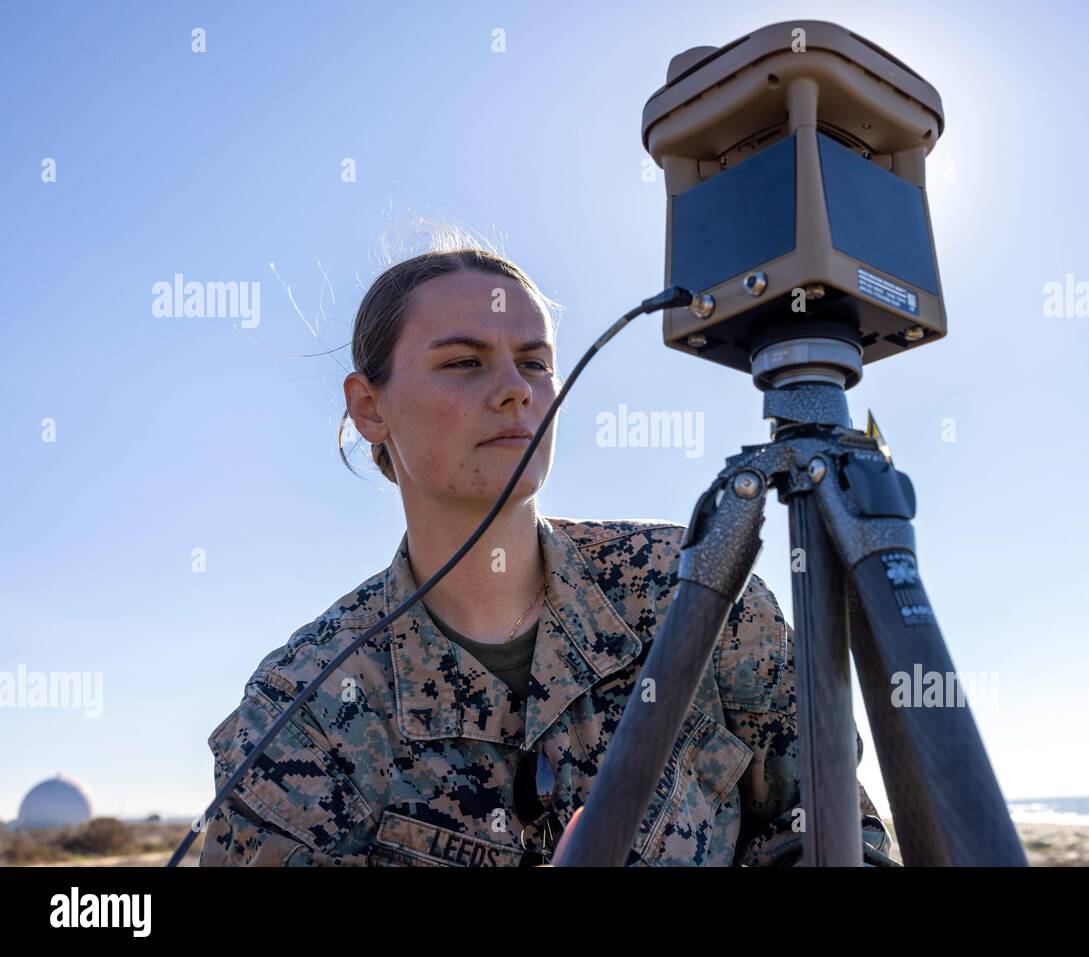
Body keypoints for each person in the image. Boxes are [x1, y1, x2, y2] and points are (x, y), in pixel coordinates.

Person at [198, 234, 895, 867]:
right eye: (464, 362)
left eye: (534, 362)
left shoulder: (696, 592)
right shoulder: (305, 705)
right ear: (370, 407)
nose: (515, 392)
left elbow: (831, 835)